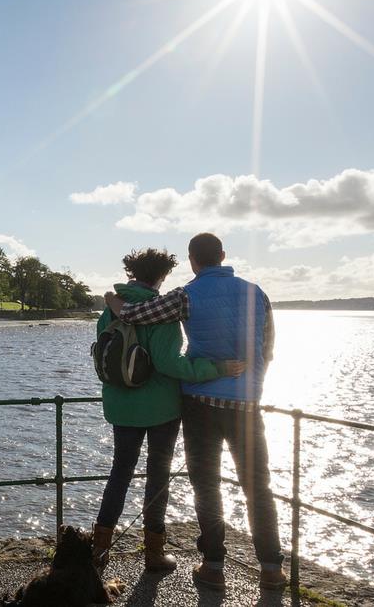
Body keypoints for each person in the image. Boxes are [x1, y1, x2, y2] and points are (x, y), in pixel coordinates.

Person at [105, 232, 284, 591]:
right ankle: (271, 568)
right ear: (222, 255)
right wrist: (252, 383)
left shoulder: (186, 295)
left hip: (200, 404)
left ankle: (214, 565)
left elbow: (138, 314)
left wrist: (111, 300)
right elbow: (268, 347)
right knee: (258, 487)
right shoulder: (257, 293)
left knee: (206, 485)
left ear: (193, 260)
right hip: (246, 404)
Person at [92, 248, 246, 576]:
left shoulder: (110, 309)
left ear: (132, 272)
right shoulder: (160, 313)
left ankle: (98, 551)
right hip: (161, 408)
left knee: (119, 474)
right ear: (161, 277)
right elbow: (170, 364)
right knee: (158, 476)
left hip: (120, 406)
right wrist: (215, 368)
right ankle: (154, 554)